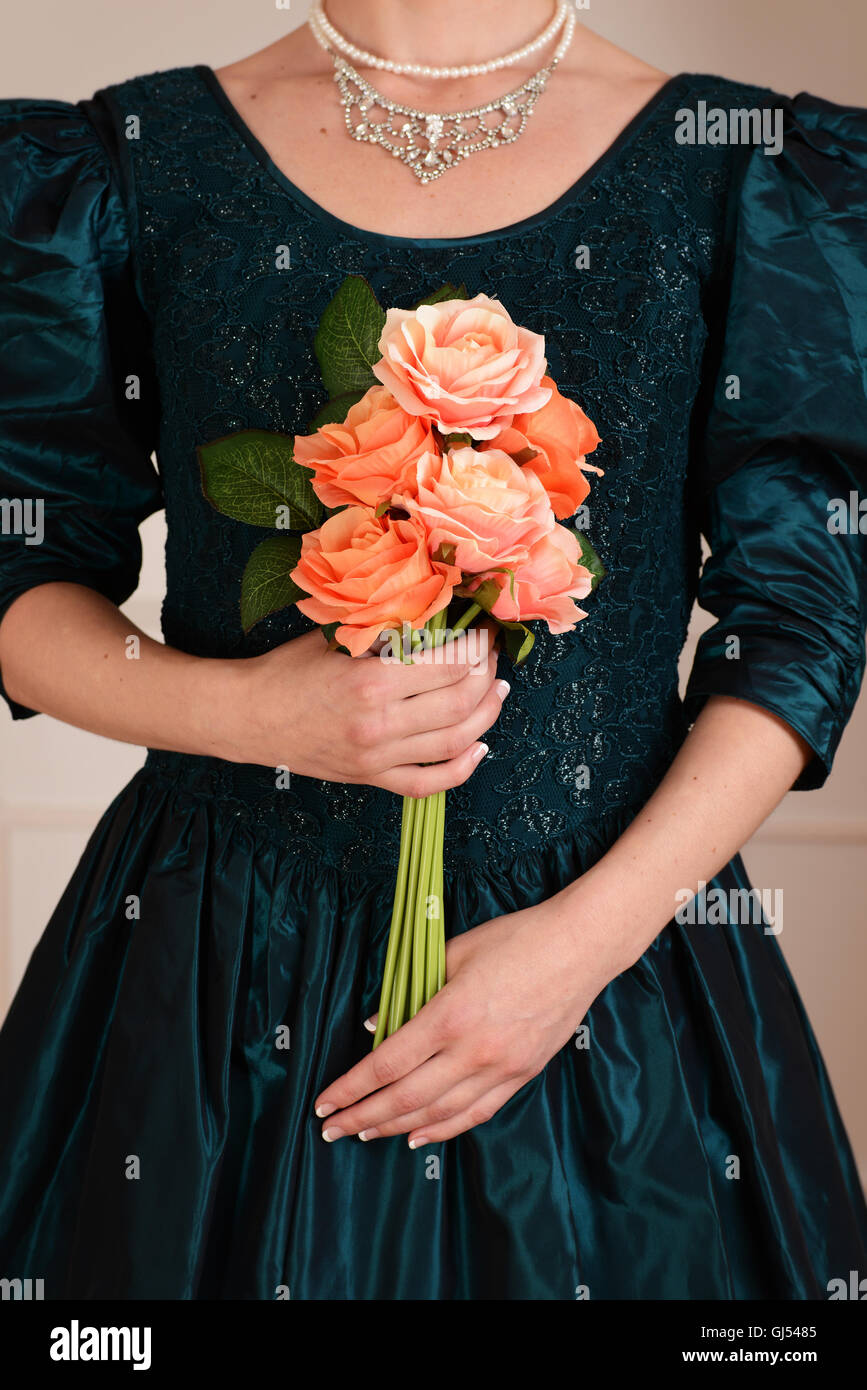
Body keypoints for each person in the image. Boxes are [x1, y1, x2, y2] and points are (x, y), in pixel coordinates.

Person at [0, 0, 865, 1300]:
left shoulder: (741, 168)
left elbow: (799, 631)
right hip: (213, 961)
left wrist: (575, 952)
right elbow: (22, 587)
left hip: (613, 965)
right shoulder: (126, 163)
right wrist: (257, 718)